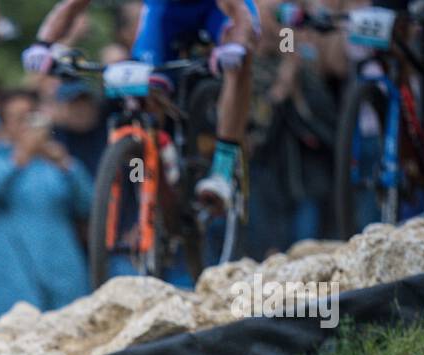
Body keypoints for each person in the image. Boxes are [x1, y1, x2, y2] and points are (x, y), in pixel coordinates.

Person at [25, 0, 259, 214]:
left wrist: (238, 44)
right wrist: (43, 44)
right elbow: (72, 5)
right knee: (144, 87)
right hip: (166, 12)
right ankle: (158, 174)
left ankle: (223, 169)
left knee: (239, 61)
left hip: (220, 9)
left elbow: (238, 11)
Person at [0, 89, 93, 318]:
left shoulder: (57, 162)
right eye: (18, 119)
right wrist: (20, 157)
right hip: (11, 279)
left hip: (62, 271)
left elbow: (89, 204)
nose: (27, 125)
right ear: (5, 126)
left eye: (30, 116)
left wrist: (66, 165)